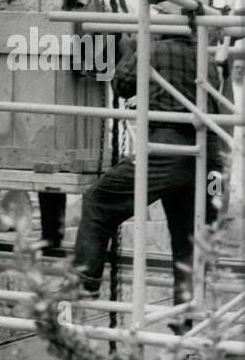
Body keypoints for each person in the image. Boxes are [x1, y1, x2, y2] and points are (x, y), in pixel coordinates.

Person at [72, 29, 223, 317]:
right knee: (191, 242)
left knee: (97, 202)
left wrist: (130, 48)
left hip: (169, 147)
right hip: (211, 159)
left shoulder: (153, 49)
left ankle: (83, 285)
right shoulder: (207, 55)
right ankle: (186, 325)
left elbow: (122, 85)